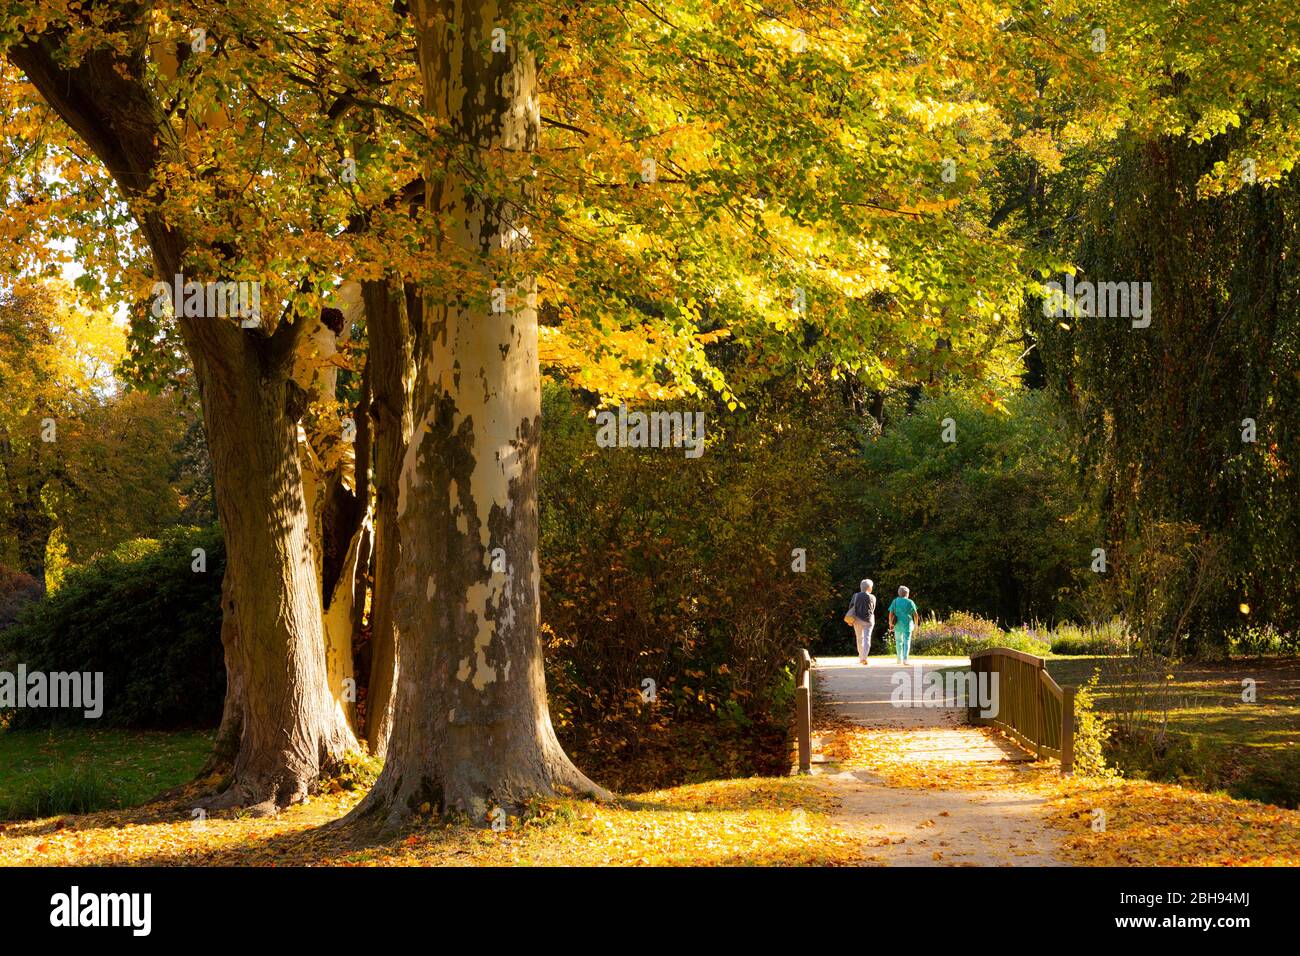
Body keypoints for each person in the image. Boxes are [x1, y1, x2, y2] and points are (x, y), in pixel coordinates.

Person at [887, 586, 919, 665]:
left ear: (899, 593)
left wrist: (890, 623)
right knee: (907, 642)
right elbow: (915, 614)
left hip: (897, 625)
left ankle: (899, 659)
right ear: (907, 594)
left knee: (898, 641)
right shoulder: (910, 602)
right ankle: (905, 659)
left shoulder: (895, 601)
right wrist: (916, 624)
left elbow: (891, 613)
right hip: (908, 625)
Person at [849, 579, 876, 664]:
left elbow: (851, 607)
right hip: (869, 620)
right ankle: (864, 657)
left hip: (857, 620)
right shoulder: (873, 597)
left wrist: (850, 620)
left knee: (859, 639)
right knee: (867, 638)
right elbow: (873, 609)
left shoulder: (855, 595)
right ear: (869, 587)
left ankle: (861, 658)